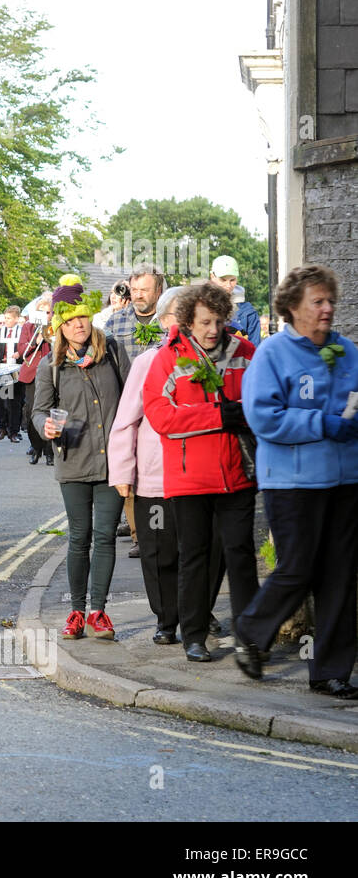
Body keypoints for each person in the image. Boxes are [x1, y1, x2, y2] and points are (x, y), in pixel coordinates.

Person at [236, 265, 358, 697]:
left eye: (329, 301)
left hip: (344, 480)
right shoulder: (272, 354)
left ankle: (330, 672)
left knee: (341, 576)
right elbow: (263, 417)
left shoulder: (347, 351)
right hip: (292, 482)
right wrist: (321, 423)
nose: (327, 309)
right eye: (317, 302)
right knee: (298, 567)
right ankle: (252, 630)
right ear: (292, 308)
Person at [142, 282, 258, 663]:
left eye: (219, 321)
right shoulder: (168, 358)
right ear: (188, 322)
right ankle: (193, 636)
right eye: (205, 322)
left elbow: (263, 402)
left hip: (237, 473)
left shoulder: (246, 352)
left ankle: (249, 637)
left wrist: (248, 414)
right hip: (189, 477)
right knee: (194, 556)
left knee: (240, 554)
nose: (213, 329)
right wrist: (218, 415)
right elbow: (161, 416)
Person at [32, 276, 131, 640]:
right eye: (71, 320)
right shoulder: (51, 365)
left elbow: (132, 397)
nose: (79, 324)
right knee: (79, 536)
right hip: (73, 461)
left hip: (112, 463)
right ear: (60, 326)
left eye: (84, 318)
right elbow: (39, 411)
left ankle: (99, 613)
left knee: (104, 536)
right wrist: (47, 427)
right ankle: (75, 610)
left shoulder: (113, 352)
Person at [108, 286, 187, 643]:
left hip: (197, 479)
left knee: (197, 552)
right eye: (181, 316)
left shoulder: (211, 361)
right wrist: (123, 472)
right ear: (165, 320)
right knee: (157, 553)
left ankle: (196, 613)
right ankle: (166, 620)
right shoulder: (147, 362)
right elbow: (126, 420)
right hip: (154, 478)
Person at [17, 293, 54, 465]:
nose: (45, 315)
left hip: (50, 372)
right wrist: (35, 341)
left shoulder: (55, 326)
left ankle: (49, 452)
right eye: (42, 312)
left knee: (49, 411)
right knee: (32, 412)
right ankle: (36, 447)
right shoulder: (28, 327)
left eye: (48, 312)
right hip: (31, 373)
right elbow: (22, 348)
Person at [105, 264, 167, 362]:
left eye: (144, 290)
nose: (138, 295)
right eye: (134, 290)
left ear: (158, 290)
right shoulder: (115, 321)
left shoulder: (170, 321)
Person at [0, 305, 25, 442]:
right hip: (2, 368)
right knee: (0, 400)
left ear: (16, 319)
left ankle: (13, 432)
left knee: (14, 401)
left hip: (16, 368)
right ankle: (2, 428)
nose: (6, 320)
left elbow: (28, 348)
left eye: (9, 318)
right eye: (5, 318)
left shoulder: (22, 332)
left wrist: (20, 354)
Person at [209, 254, 262, 345]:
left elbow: (255, 350)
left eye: (232, 280)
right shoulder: (200, 305)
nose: (228, 285)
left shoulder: (248, 311)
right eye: (223, 280)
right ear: (212, 276)